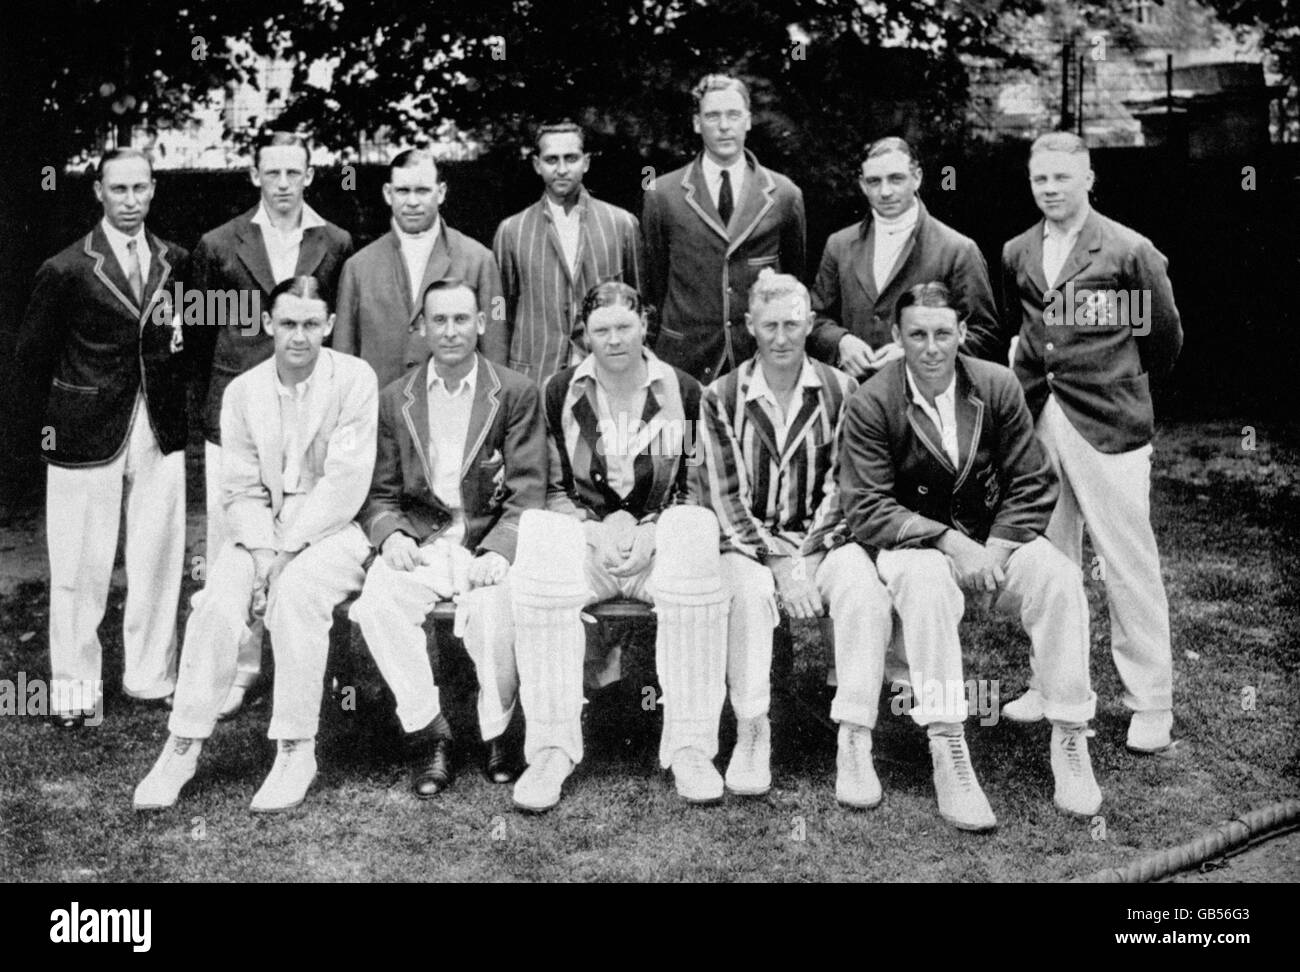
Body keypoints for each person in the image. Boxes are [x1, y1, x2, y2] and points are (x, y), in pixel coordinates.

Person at [834, 281, 1102, 830]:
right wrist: (949, 541)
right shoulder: (871, 400)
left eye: (942, 333)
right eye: (917, 335)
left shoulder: (996, 385)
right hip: (911, 546)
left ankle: (1071, 736)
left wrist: (996, 546)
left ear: (961, 332)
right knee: (929, 581)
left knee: (1059, 577)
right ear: (895, 336)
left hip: (992, 540)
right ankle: (948, 745)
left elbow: (1032, 478)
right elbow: (866, 506)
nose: (931, 347)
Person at [133, 277, 377, 813]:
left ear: (329, 326)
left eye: (312, 325)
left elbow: (346, 482)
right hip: (259, 536)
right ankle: (184, 742)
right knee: (218, 601)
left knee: (294, 600)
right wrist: (266, 555)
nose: (299, 336)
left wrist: (287, 556)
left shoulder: (355, 379)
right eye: (287, 323)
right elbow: (239, 490)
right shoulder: (243, 391)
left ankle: (296, 748)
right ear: (268, 324)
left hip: (333, 533)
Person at [974, 132, 1183, 755]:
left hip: (1110, 427)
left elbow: (1164, 340)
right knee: (1049, 562)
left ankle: (1151, 702)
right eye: (1041, 180)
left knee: (1126, 561)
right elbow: (1018, 330)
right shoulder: (1016, 251)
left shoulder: (1128, 250)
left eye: (1063, 179)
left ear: (1089, 179)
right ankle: (1051, 683)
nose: (1051, 190)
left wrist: (1117, 386)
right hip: (1040, 422)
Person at [509, 282, 727, 812]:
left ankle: (692, 746)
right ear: (584, 334)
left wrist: (654, 527)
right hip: (594, 545)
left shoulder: (682, 390)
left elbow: (694, 483)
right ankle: (551, 748)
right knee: (539, 537)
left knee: (695, 530)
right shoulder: (560, 390)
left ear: (645, 325)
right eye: (600, 330)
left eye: (623, 327)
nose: (612, 340)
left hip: (660, 544)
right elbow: (553, 488)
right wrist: (594, 528)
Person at [698, 270, 891, 805]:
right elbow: (725, 496)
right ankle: (752, 728)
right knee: (748, 593)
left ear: (810, 324)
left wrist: (805, 557)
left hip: (824, 538)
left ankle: (855, 737)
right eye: (769, 326)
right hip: (750, 544)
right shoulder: (720, 396)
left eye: (791, 324)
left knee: (862, 589)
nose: (781, 338)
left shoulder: (843, 389)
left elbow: (846, 485)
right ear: (750, 327)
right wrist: (779, 565)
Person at [9, 148, 187, 726]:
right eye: (119, 190)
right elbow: (30, 363)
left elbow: (185, 347)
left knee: (158, 558)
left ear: (154, 190)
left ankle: (150, 676)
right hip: (84, 431)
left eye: (140, 188)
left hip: (157, 427)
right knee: (79, 566)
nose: (131, 201)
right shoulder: (65, 268)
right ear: (99, 193)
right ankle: (74, 692)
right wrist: (44, 433)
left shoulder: (176, 261)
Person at [349, 279, 546, 797]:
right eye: (439, 320)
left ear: (481, 323)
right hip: (427, 540)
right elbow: (380, 492)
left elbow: (528, 493)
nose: (451, 330)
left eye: (462, 319)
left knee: (494, 610)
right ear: (422, 328)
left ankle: (500, 731)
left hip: (488, 539)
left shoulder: (517, 393)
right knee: (378, 603)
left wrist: (501, 551)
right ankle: (430, 731)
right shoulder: (397, 399)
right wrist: (390, 536)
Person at [188, 130, 354, 718]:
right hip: (239, 415)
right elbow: (200, 338)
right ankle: (241, 669)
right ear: (255, 176)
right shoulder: (218, 243)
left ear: (309, 175)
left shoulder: (335, 241)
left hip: (310, 412)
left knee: (311, 538)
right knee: (239, 542)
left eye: (294, 173)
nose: (283, 184)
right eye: (272, 173)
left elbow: (335, 328)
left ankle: (316, 669)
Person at [641, 74, 805, 384]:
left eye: (733, 115)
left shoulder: (784, 195)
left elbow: (795, 279)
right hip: (684, 360)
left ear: (748, 120)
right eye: (712, 116)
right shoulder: (663, 194)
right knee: (687, 434)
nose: (724, 125)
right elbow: (654, 284)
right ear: (696, 123)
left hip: (756, 359)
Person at [808, 137, 997, 379]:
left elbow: (983, 336)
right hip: (856, 398)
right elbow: (816, 318)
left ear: (917, 178)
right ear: (862, 185)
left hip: (925, 398)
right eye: (874, 181)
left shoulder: (957, 249)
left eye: (896, 179)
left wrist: (913, 352)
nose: (885, 192)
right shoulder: (839, 245)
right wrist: (840, 342)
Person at [334, 148, 503, 388]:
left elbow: (496, 340)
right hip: (379, 411)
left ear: (441, 192)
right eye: (403, 191)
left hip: (454, 407)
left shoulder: (480, 259)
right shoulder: (357, 267)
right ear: (387, 193)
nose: (412, 202)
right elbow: (343, 354)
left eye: (422, 190)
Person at [493, 121, 642, 383]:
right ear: (537, 165)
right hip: (535, 375)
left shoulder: (622, 224)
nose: (561, 169)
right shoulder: (512, 231)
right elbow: (499, 310)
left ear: (585, 162)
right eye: (552, 159)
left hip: (607, 377)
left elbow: (643, 304)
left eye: (570, 158)